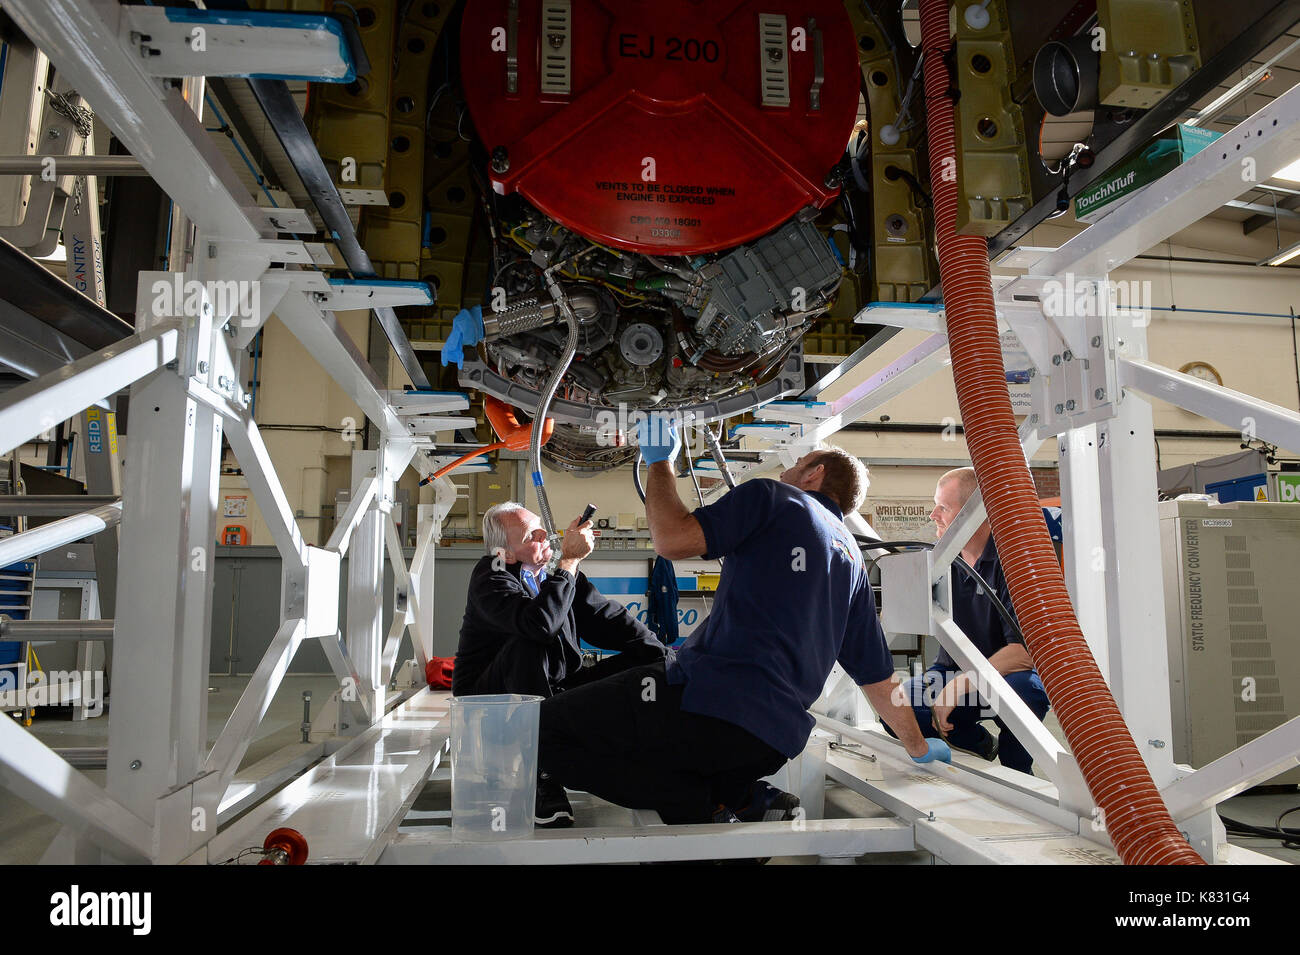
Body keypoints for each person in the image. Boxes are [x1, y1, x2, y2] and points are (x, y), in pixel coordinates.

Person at [537, 415, 948, 831]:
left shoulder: (776, 497)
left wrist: (661, 462)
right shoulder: (853, 561)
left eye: (799, 459)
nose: (786, 468)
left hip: (707, 704)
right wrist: (916, 746)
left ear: (816, 473)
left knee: (539, 731)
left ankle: (707, 803)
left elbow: (671, 540)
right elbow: (877, 677)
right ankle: (738, 796)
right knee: (646, 753)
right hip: (767, 743)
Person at [453, 501, 670, 826]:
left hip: (552, 692)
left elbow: (607, 618)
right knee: (529, 640)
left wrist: (663, 655)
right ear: (506, 553)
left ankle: (647, 754)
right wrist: (569, 561)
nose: (545, 534)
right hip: (493, 705)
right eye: (531, 534)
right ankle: (543, 773)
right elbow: (539, 624)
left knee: (649, 661)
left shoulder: (555, 575)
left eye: (541, 527)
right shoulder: (491, 576)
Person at [895, 467, 1051, 775]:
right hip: (951, 671)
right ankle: (978, 743)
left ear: (974, 514)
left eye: (943, 507)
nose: (932, 515)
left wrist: (956, 688)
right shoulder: (941, 564)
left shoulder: (1014, 562)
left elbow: (1023, 654)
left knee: (1024, 691)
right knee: (900, 708)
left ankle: (1017, 770)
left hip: (1004, 677)